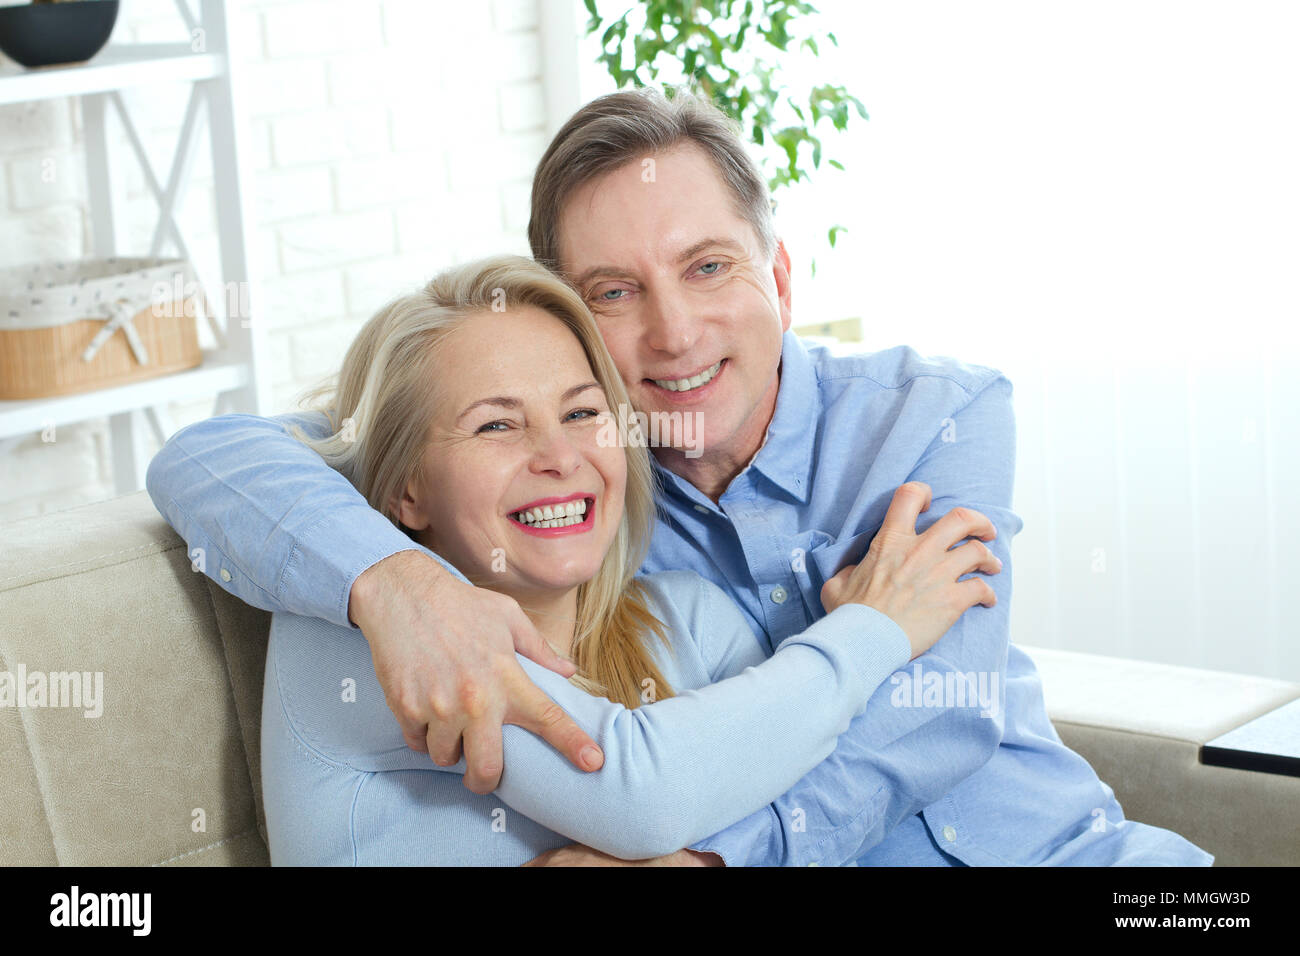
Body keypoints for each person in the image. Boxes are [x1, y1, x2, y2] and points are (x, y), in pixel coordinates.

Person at [149, 88, 1213, 866]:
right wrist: (394, 580)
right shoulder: (558, 515)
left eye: (709, 266)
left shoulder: (934, 414)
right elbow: (214, 454)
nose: (673, 329)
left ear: (780, 277)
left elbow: (931, 722)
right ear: (573, 324)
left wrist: (709, 862)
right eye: (614, 290)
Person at [262, 255, 989, 865]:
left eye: (581, 412)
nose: (558, 457)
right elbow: (644, 792)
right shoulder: (366, 638)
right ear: (405, 491)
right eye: (496, 424)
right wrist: (873, 627)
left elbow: (807, 800)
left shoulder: (688, 620)